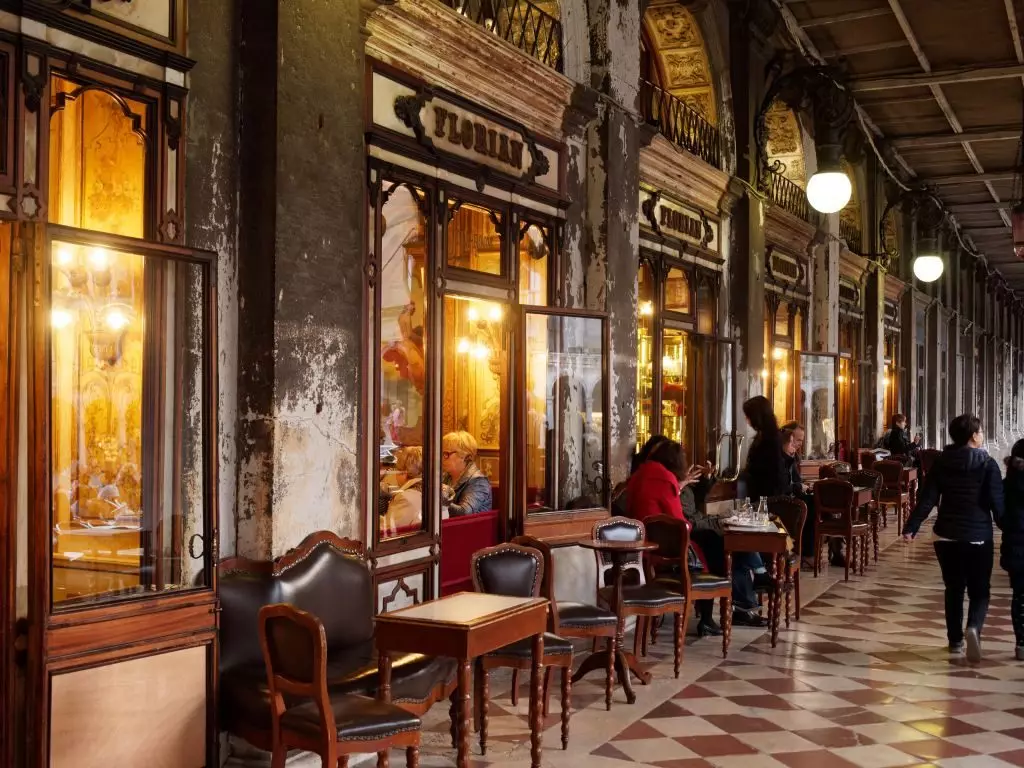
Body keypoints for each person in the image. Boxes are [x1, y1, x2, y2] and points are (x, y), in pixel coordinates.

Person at [628, 440, 765, 632]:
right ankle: (715, 615)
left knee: (714, 544)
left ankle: (744, 594)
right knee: (715, 549)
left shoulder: (640, 475)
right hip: (667, 548)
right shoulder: (665, 479)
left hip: (644, 544)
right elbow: (680, 521)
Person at [903, 414, 1003, 662]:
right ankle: (973, 628)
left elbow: (928, 498)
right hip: (978, 536)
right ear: (973, 436)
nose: (981, 436)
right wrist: (1013, 529)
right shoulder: (988, 464)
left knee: (954, 589)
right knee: (980, 590)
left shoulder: (942, 462)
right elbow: (997, 506)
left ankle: (955, 642)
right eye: (980, 432)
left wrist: (911, 527)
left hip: (945, 536)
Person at [1001, 439, 1024, 660]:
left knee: (1019, 596)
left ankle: (1021, 643)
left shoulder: (1007, 483)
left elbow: (999, 513)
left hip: (1015, 545)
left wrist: (1008, 527)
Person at [742, 396, 788, 502]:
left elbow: (771, 471)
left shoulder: (771, 439)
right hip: (760, 491)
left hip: (767, 495)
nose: (746, 419)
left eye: (748, 415)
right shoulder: (762, 436)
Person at [441, 431, 493, 517]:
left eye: (446, 454)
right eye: (442, 453)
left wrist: (436, 497)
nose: (442, 458)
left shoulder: (478, 481)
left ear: (465, 456)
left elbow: (464, 512)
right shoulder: (446, 476)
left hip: (472, 530)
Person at [382, 447, 424, 535]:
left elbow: (388, 532)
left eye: (396, 470)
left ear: (404, 473)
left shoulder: (405, 498)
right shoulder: (432, 491)